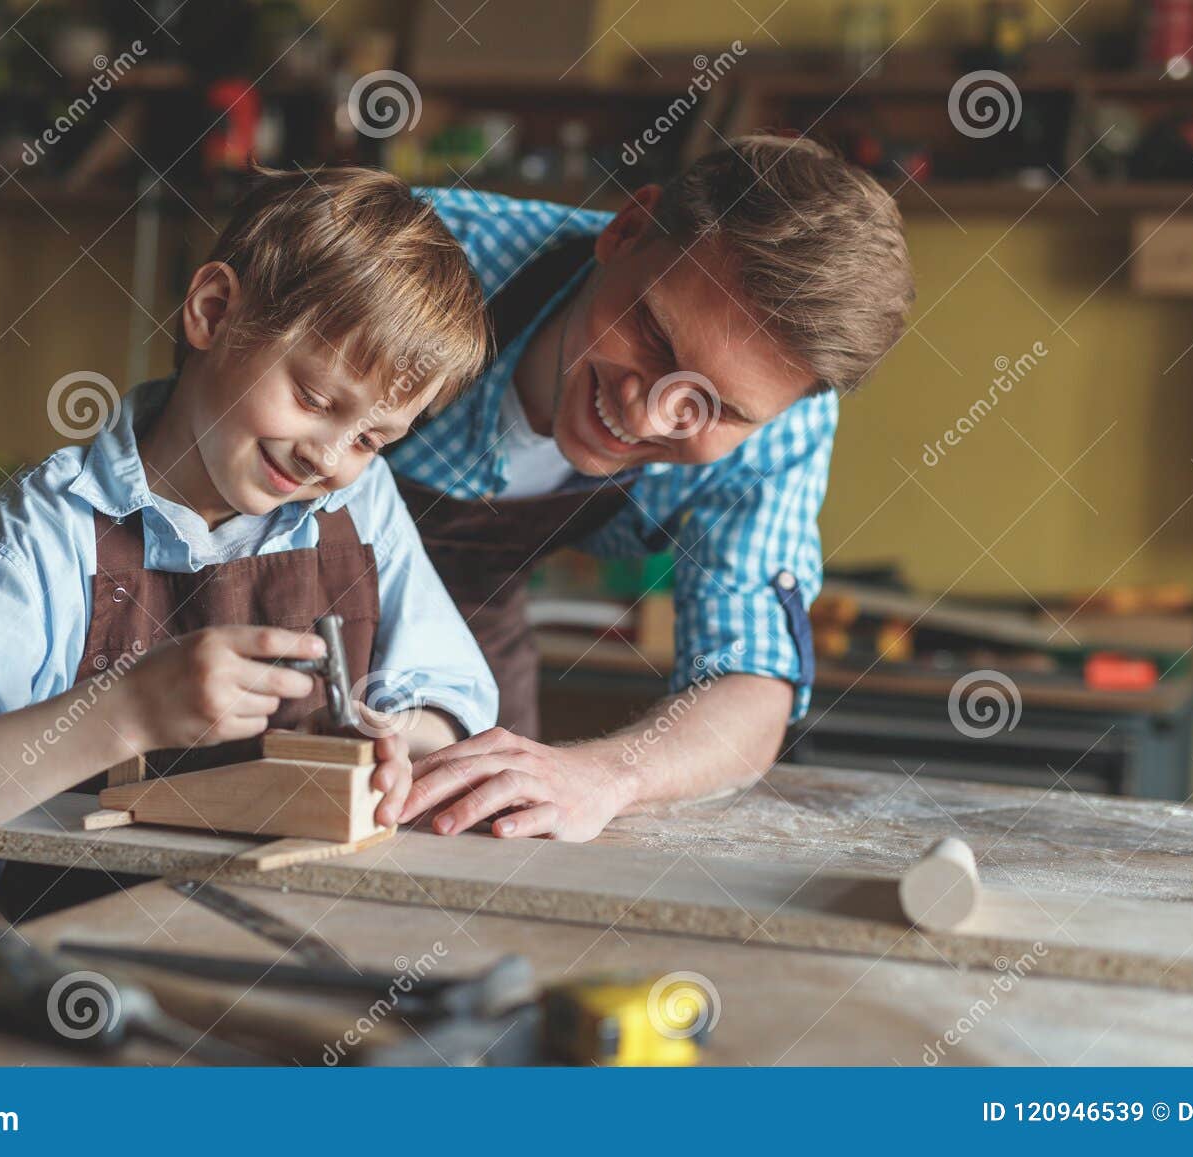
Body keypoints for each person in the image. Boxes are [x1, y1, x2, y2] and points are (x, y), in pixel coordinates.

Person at [0, 167, 498, 917]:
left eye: (370, 438)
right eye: (312, 397)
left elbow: (452, 700)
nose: (327, 457)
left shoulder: (359, 504)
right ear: (213, 312)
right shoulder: (43, 536)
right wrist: (128, 711)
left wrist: (386, 736)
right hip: (85, 962)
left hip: (313, 935)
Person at [390, 134, 915, 841]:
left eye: (716, 408)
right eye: (656, 338)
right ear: (627, 230)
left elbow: (750, 680)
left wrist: (605, 777)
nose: (645, 415)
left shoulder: (783, 422)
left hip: (466, 628)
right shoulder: (408, 255)